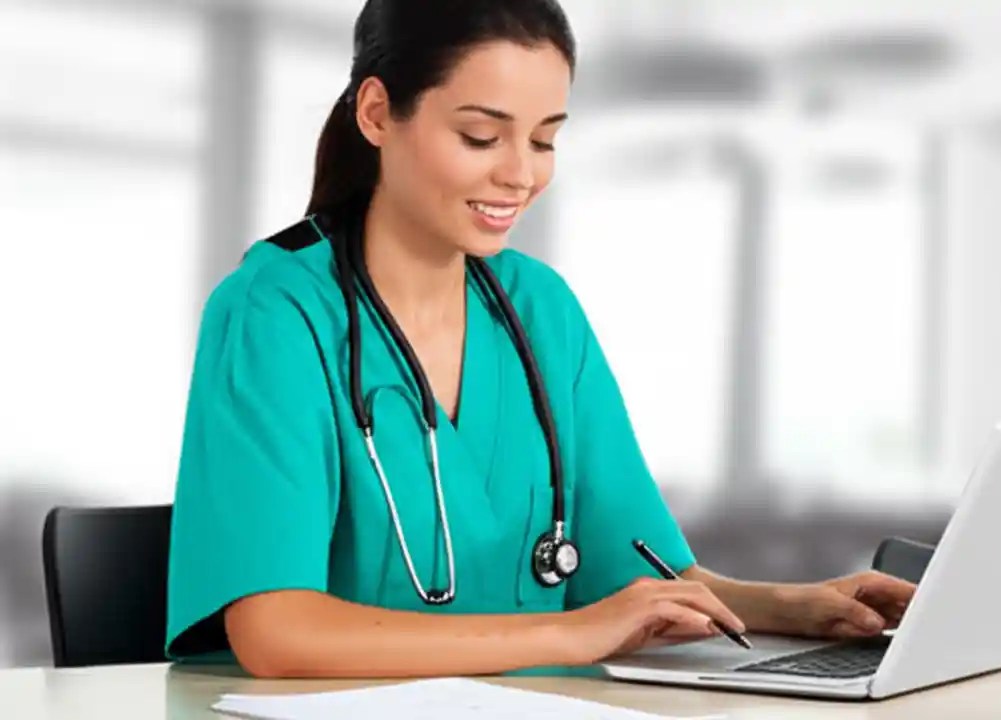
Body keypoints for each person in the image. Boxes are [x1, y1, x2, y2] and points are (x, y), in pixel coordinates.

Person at [165, 0, 915, 679]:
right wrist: (571, 636)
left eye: (546, 140)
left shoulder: (539, 309)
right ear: (375, 113)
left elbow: (637, 583)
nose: (521, 174)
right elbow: (278, 633)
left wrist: (800, 604)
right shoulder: (276, 313)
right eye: (481, 135)